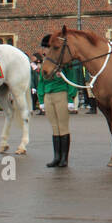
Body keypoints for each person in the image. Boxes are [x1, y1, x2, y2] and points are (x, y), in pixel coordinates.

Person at [37, 35, 79, 167]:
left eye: (46, 47)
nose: (44, 50)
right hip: (48, 96)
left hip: (61, 93)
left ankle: (64, 158)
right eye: (44, 47)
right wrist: (41, 99)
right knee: (55, 128)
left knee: (63, 127)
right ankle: (56, 157)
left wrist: (70, 98)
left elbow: (72, 80)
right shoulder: (46, 63)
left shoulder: (64, 62)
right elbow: (41, 82)